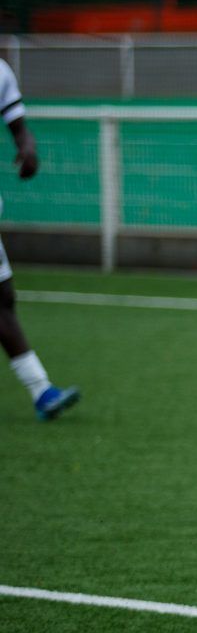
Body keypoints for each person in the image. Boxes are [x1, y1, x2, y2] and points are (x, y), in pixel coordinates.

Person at [0, 58, 80, 421]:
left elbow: (17, 123)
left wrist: (27, 147)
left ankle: (41, 390)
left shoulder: (0, 71)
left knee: (3, 299)